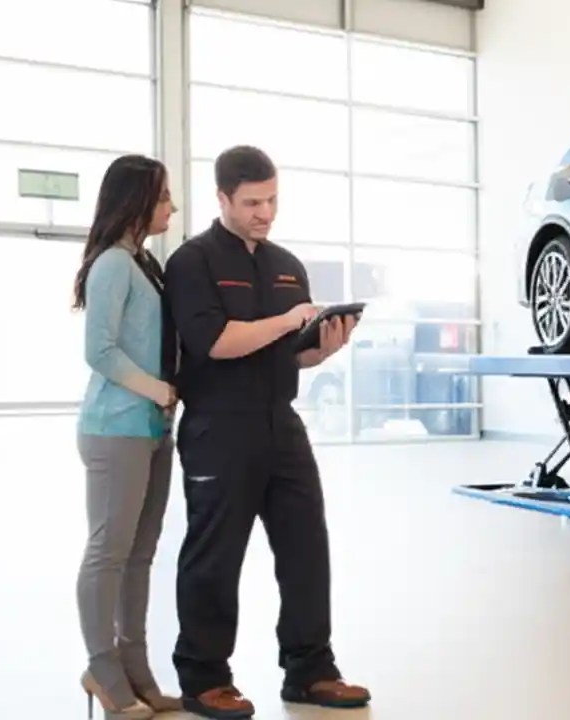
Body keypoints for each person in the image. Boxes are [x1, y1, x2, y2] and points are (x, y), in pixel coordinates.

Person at [163, 145, 369, 719]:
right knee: (215, 555)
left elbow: (288, 355)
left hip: (282, 422)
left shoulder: (286, 263)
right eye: (252, 202)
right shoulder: (192, 262)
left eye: (272, 199)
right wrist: (288, 319)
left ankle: (310, 669)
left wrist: (321, 348)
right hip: (217, 426)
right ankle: (204, 677)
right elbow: (217, 343)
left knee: (307, 547)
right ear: (223, 198)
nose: (265, 212)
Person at [73, 154, 182, 720]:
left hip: (152, 430)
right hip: (116, 428)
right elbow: (99, 350)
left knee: (139, 556)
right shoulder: (113, 264)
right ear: (138, 200)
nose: (172, 207)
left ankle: (135, 667)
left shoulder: (145, 263)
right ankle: (102, 667)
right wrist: (158, 390)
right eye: (164, 197)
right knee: (108, 553)